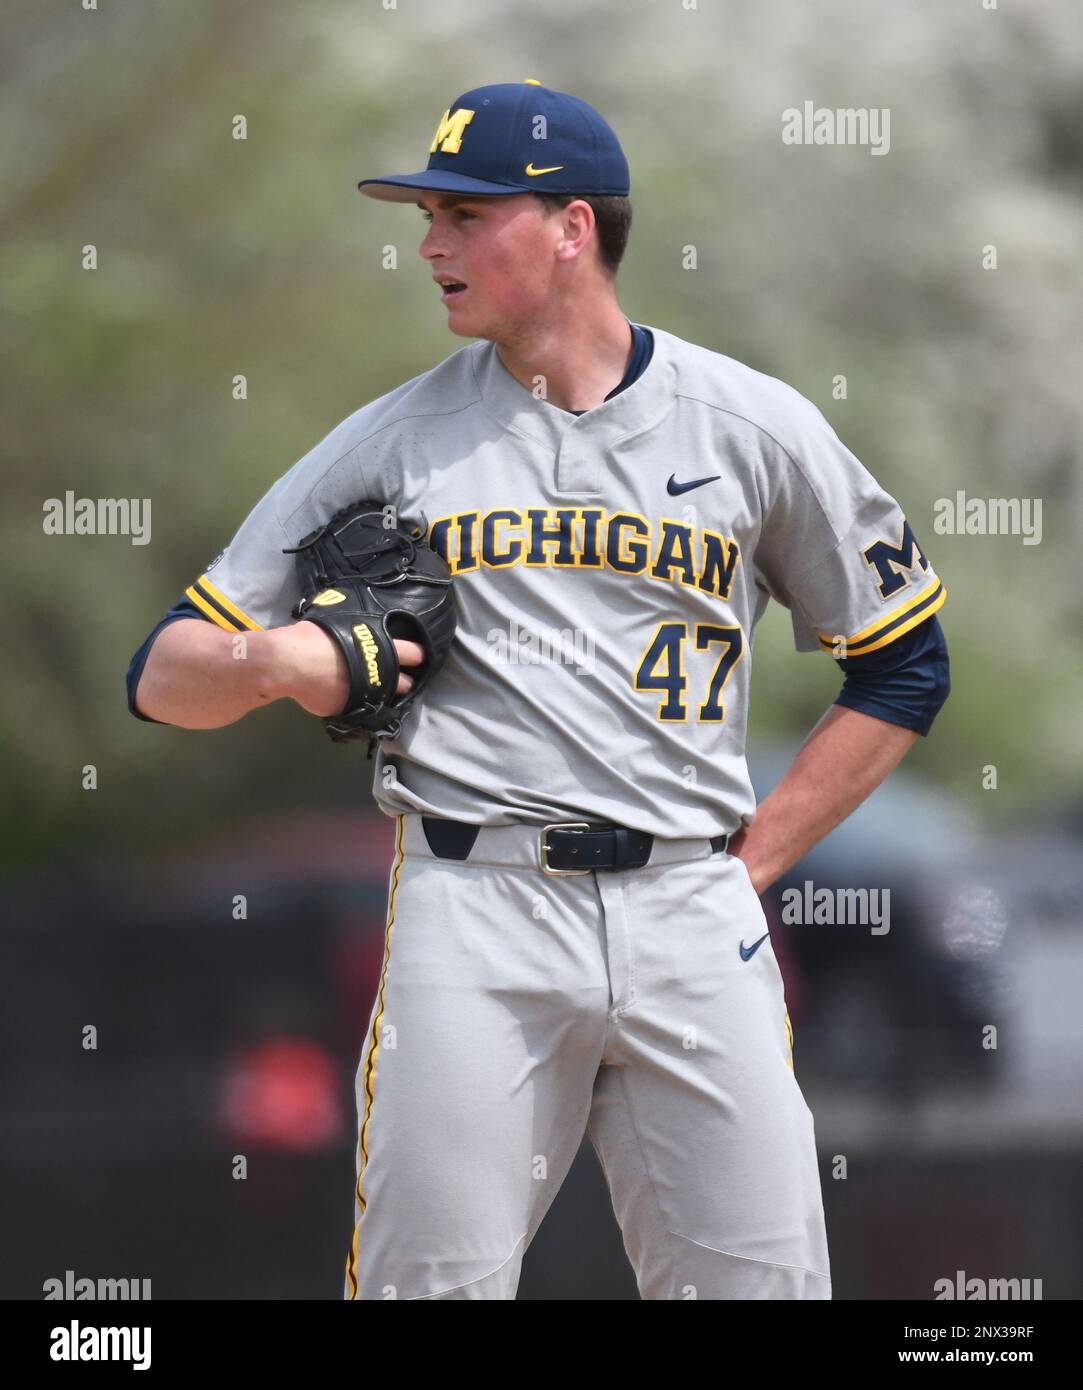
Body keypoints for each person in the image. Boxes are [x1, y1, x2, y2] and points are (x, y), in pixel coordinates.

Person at [127, 80, 950, 1301]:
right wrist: (273, 660)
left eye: (465, 213)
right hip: (477, 905)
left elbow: (903, 663)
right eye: (428, 214)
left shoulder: (751, 428)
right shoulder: (391, 443)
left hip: (689, 906)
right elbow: (160, 677)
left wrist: (753, 863)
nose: (429, 244)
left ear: (571, 226)